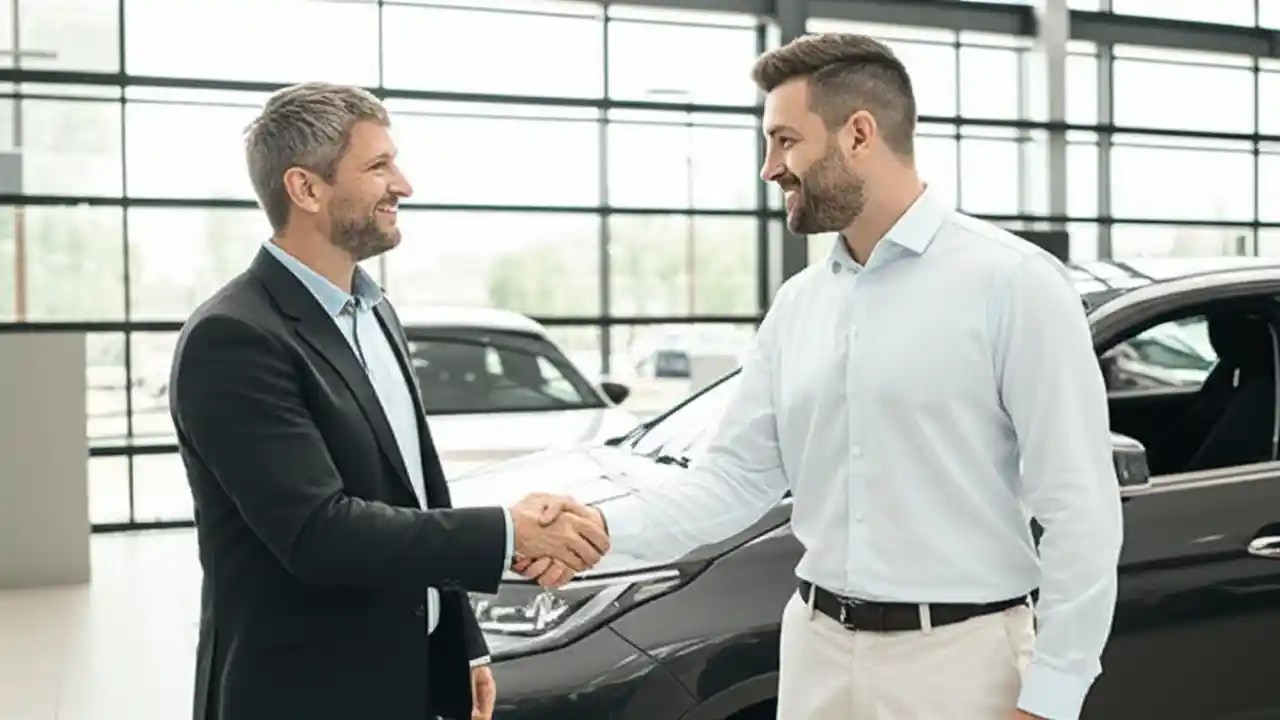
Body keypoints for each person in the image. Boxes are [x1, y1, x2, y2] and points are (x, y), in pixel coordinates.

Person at [519, 33, 1123, 720]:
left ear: (859, 134)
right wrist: (593, 527)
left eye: (784, 141)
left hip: (961, 667)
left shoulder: (1013, 284)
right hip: (815, 655)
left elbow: (1080, 509)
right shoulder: (800, 303)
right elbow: (733, 480)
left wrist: (1054, 695)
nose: (769, 168)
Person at [168, 82, 609, 720]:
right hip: (299, 692)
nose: (403, 184)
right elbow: (319, 533)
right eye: (378, 166)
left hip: (404, 669)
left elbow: (417, 494)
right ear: (306, 189)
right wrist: (510, 531)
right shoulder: (233, 337)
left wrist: (464, 643)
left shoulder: (374, 312)